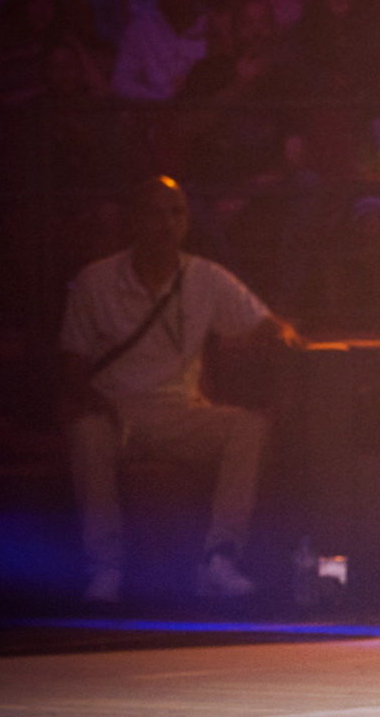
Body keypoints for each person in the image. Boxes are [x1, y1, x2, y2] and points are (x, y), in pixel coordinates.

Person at [58, 175, 303, 603]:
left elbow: (266, 322)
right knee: (86, 433)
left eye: (177, 213)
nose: (167, 224)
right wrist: (102, 407)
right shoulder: (95, 282)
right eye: (156, 213)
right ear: (135, 221)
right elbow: (71, 366)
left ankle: (219, 560)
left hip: (180, 412)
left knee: (247, 428)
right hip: (115, 412)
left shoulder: (205, 278)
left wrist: (282, 334)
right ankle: (106, 567)